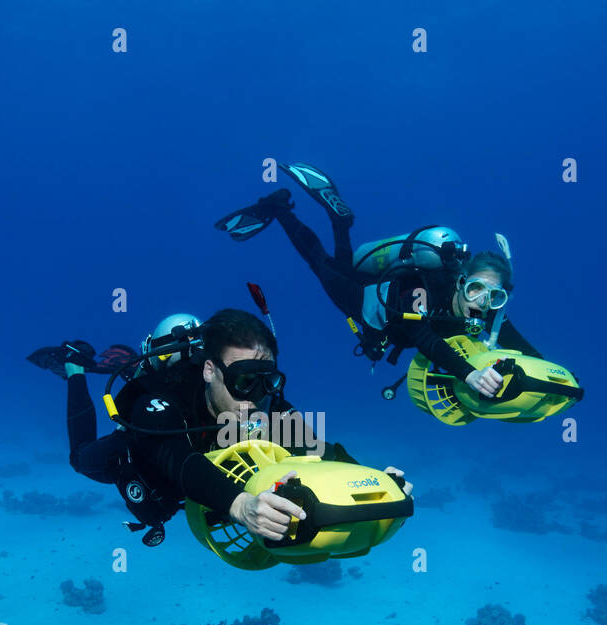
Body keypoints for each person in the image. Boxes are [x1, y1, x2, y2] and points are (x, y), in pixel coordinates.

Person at [28, 309, 410, 546]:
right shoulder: (158, 398)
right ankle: (76, 370)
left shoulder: (262, 402)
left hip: (204, 477)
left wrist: (372, 478)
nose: (256, 396)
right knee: (80, 459)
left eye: (268, 381)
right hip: (141, 456)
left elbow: (320, 449)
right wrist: (242, 506)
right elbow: (179, 464)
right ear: (209, 370)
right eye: (244, 381)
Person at [215, 162, 546, 400]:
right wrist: (469, 374)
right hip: (364, 302)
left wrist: (548, 370)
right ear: (461, 280)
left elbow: (516, 340)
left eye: (494, 296)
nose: (481, 302)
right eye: (476, 288)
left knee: (343, 262)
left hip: (379, 296)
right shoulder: (425, 290)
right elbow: (423, 336)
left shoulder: (484, 308)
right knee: (320, 262)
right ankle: (281, 210)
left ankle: (340, 221)